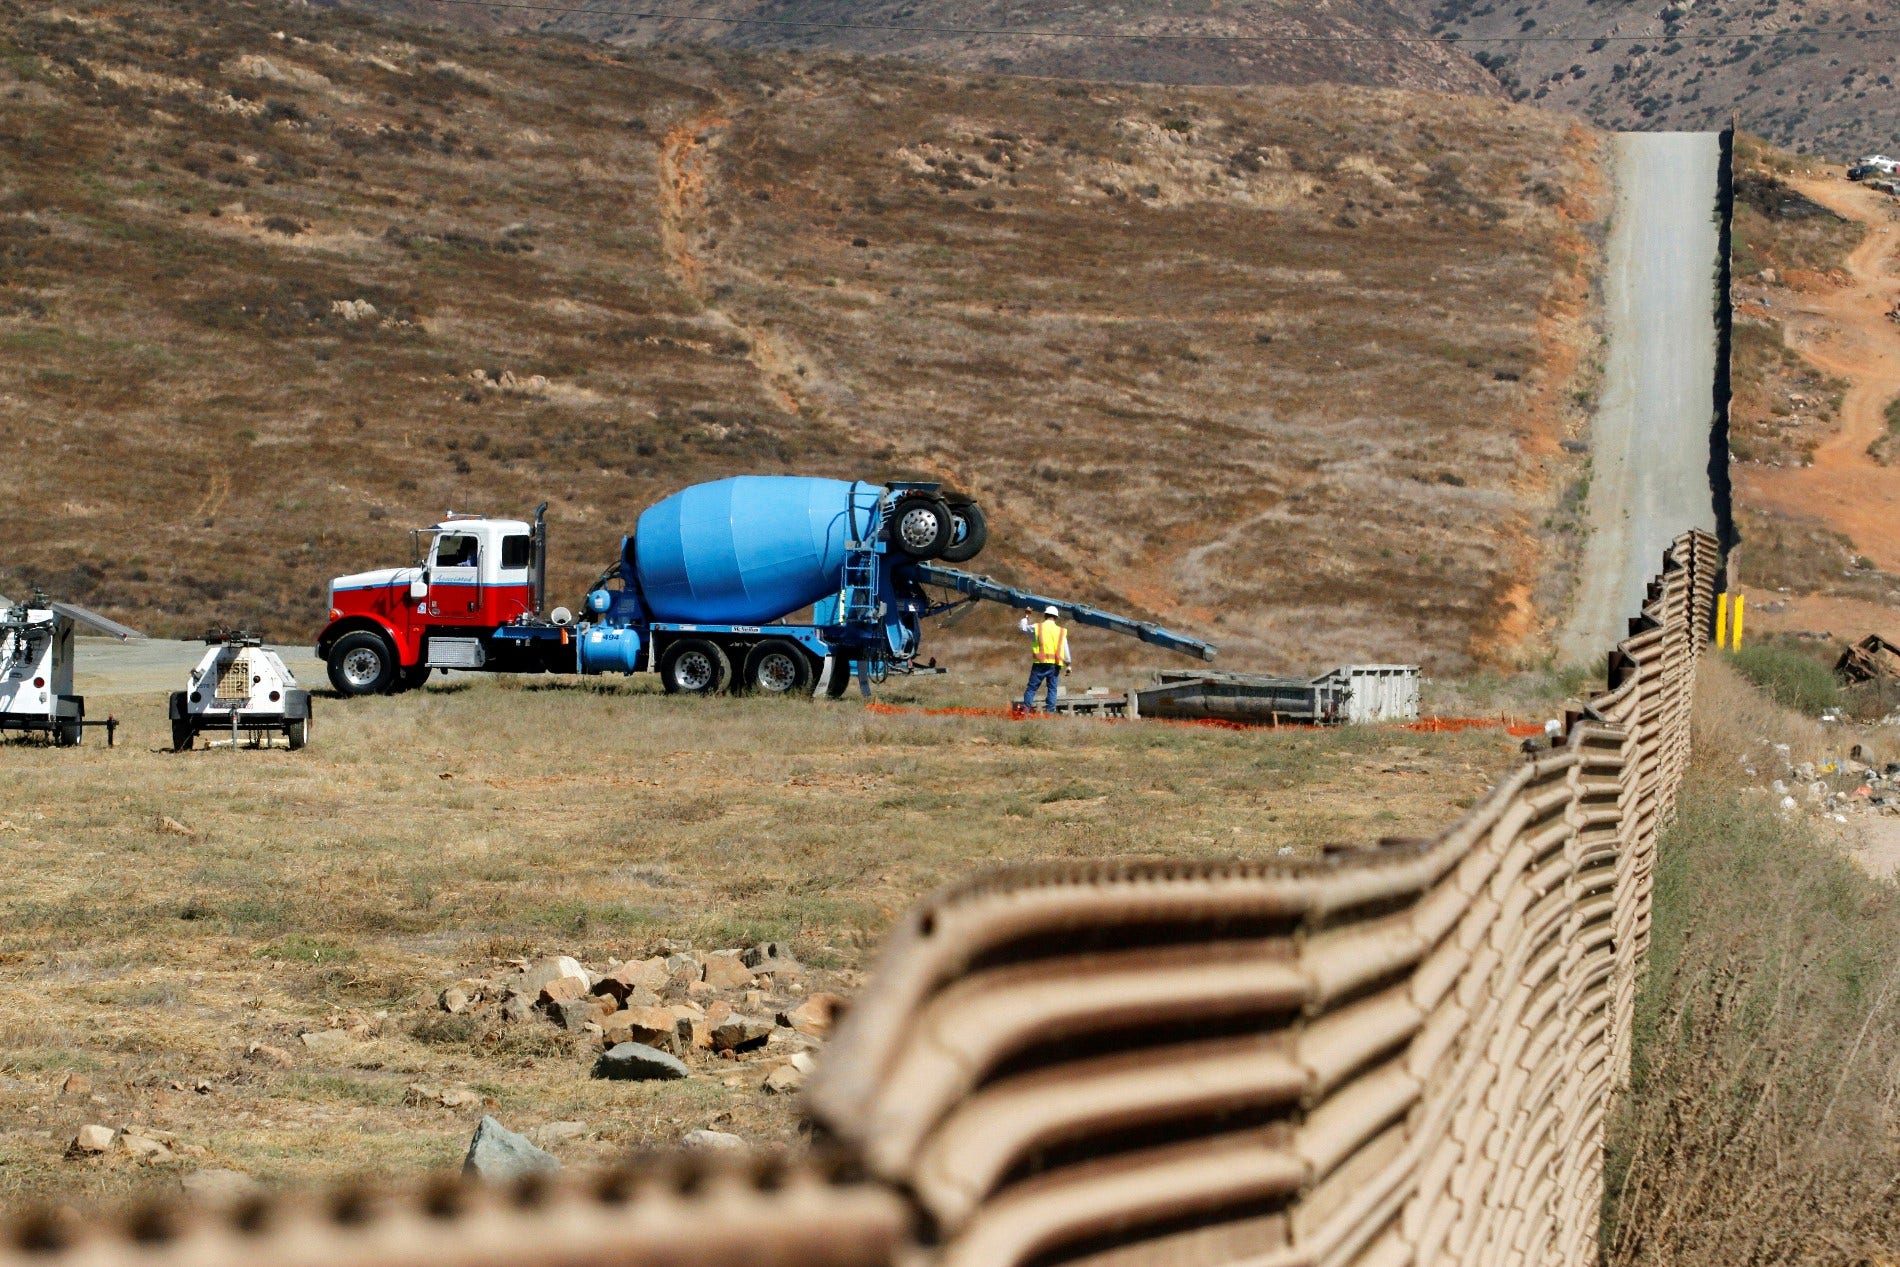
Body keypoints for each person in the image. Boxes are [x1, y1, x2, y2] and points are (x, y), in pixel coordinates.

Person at [1019, 605, 1071, 713]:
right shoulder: (1061, 631)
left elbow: (1023, 628)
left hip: (1040, 663)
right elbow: (1065, 648)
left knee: (1032, 688)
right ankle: (1050, 712)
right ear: (1056, 617)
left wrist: (1027, 615)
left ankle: (1026, 710)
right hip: (1055, 665)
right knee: (1052, 689)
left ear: (1045, 615)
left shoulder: (1037, 627)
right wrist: (1068, 664)